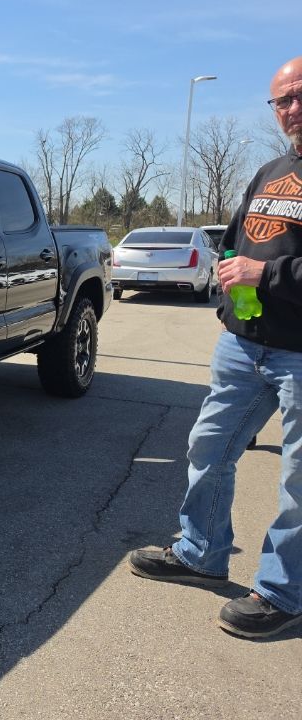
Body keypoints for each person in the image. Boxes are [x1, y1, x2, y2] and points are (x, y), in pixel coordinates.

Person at [129, 56, 302, 638]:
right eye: (282, 100)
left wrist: (265, 275)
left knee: (298, 479)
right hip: (245, 346)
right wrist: (232, 297)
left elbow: (261, 264)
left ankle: (283, 592)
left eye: (300, 95)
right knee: (209, 445)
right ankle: (201, 553)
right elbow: (233, 245)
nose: (292, 108)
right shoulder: (269, 171)